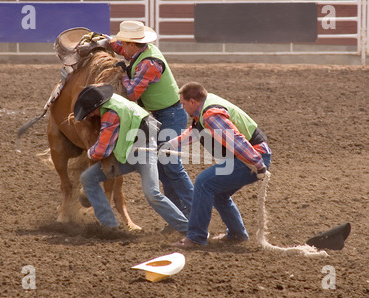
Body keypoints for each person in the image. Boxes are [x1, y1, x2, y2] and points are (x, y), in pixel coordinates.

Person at [160, 82, 271, 248]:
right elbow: (195, 132)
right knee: (218, 193)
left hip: (251, 159)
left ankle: (196, 238)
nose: (182, 108)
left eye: (183, 104)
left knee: (204, 182)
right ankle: (236, 234)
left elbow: (235, 141)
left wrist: (257, 164)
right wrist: (171, 145)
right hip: (252, 156)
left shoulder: (211, 116)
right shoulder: (206, 109)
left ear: (192, 102)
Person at [74, 83, 188, 234]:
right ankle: (109, 226)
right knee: (88, 177)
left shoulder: (111, 114)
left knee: (152, 193)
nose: (91, 115)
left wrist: (88, 153)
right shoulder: (116, 100)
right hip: (130, 152)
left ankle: (189, 229)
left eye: (90, 112)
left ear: (97, 106)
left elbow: (102, 150)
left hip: (143, 153)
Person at [109, 20, 194, 219]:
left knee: (172, 166)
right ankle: (181, 216)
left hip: (170, 115)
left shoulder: (149, 63)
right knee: (165, 170)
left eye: (125, 42)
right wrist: (103, 40)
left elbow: (132, 93)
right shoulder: (144, 52)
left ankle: (196, 212)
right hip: (165, 114)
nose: (122, 46)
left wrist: (123, 74)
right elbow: (118, 46)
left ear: (132, 44)